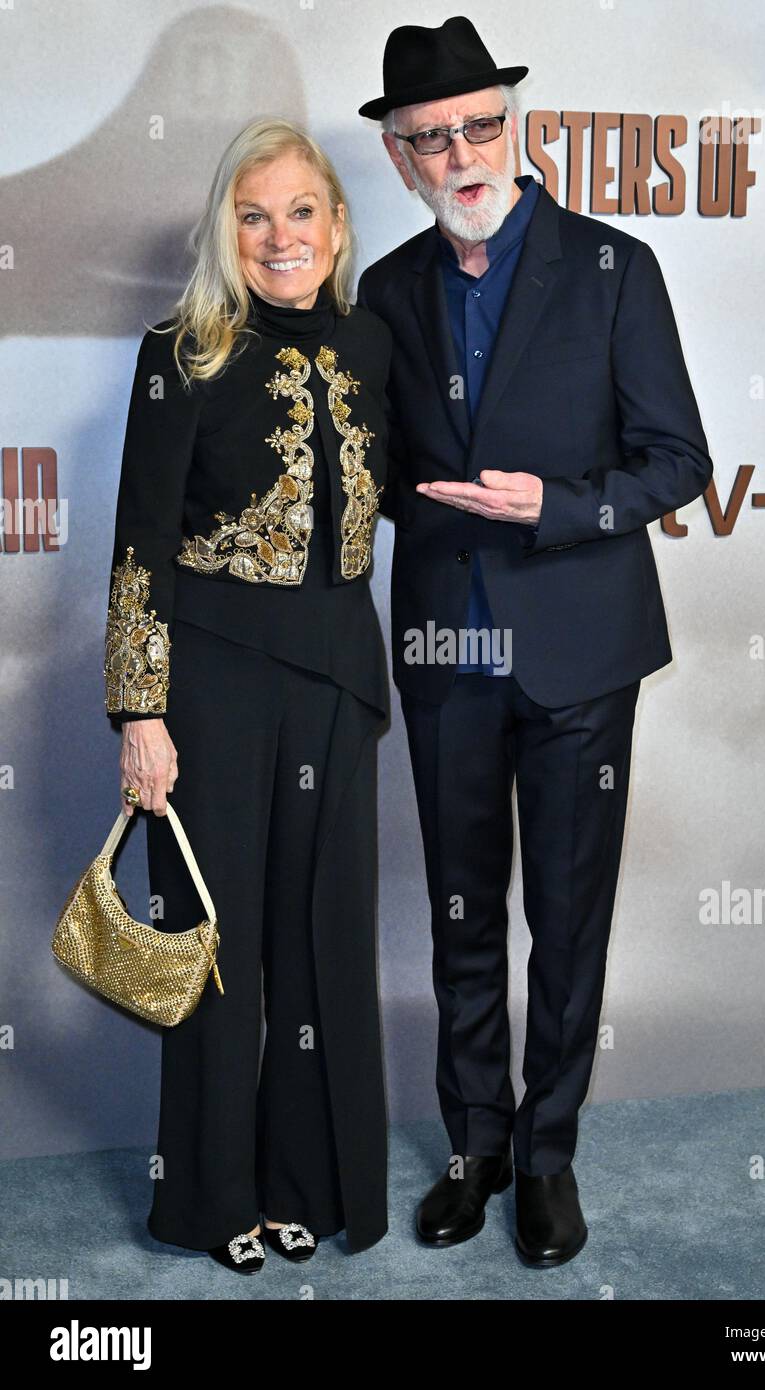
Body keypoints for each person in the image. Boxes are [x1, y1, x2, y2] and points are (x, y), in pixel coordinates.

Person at [357, 17, 713, 1267]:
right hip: (447, 650)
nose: (460, 153)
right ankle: (474, 1147)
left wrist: (556, 511)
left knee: (564, 921)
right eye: (429, 138)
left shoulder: (617, 267)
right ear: (400, 159)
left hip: (580, 652)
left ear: (515, 126)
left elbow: (679, 460)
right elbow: (381, 477)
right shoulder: (385, 292)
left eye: (478, 126)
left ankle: (547, 1157)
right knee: (462, 916)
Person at [104, 116, 391, 1273]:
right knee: (217, 952)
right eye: (254, 212)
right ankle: (209, 1196)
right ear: (228, 226)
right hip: (210, 689)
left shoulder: (372, 342)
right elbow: (139, 543)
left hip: (336, 683)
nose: (281, 236)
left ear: (334, 222)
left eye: (302, 211)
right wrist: (140, 712)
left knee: (322, 946)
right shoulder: (182, 351)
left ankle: (300, 1184)